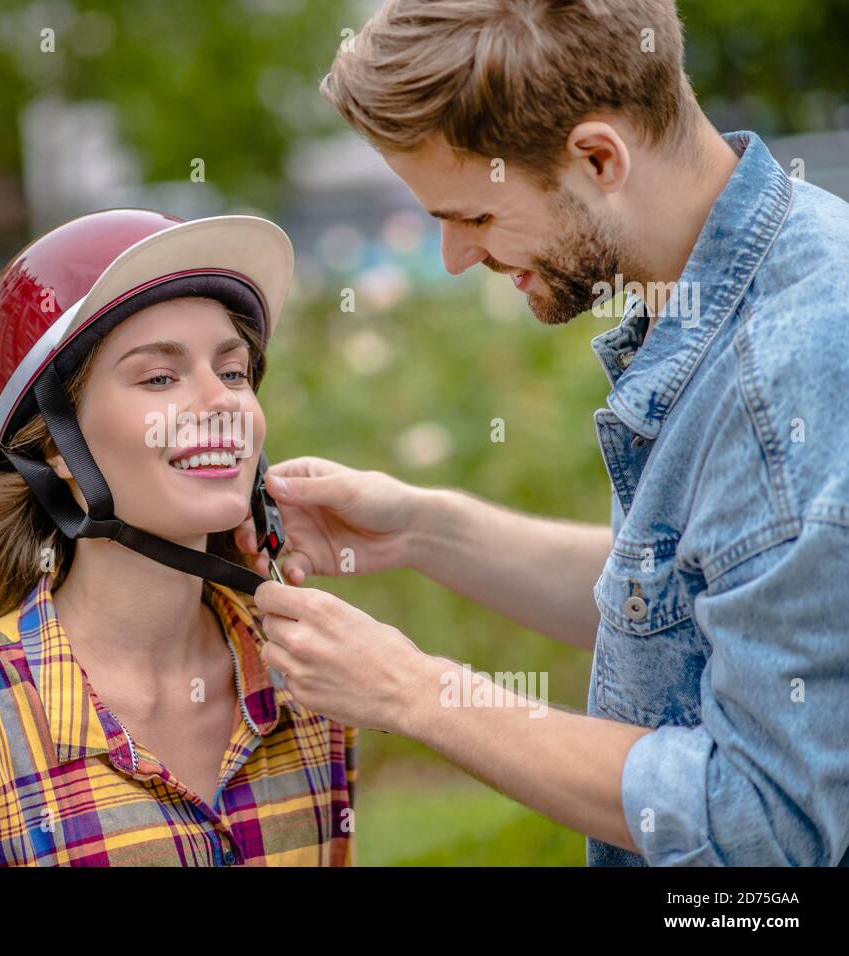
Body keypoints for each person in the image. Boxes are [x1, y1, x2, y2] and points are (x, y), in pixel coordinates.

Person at [237, 0, 849, 866]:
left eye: (475, 217)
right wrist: (422, 528)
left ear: (599, 158)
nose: (452, 257)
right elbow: (694, 603)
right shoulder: (753, 278)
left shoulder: (790, 371)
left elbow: (767, 823)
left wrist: (414, 692)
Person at [0, 209, 357, 866]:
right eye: (159, 377)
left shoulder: (308, 685)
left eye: (234, 371)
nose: (222, 401)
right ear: (54, 445)